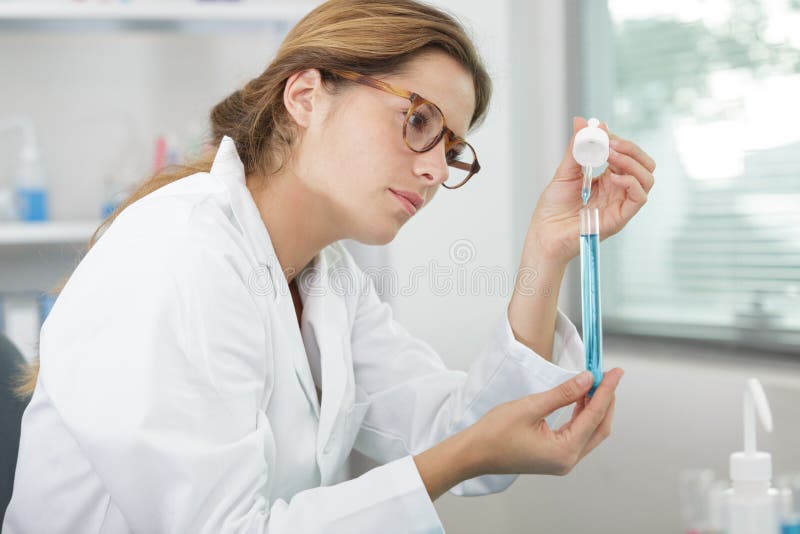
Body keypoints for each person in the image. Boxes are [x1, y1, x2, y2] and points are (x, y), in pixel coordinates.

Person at [4, 0, 655, 532]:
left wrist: (547, 248)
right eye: (418, 120)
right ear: (307, 96)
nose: (433, 170)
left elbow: (464, 432)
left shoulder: (330, 279)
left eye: (452, 149)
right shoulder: (178, 250)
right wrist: (464, 455)